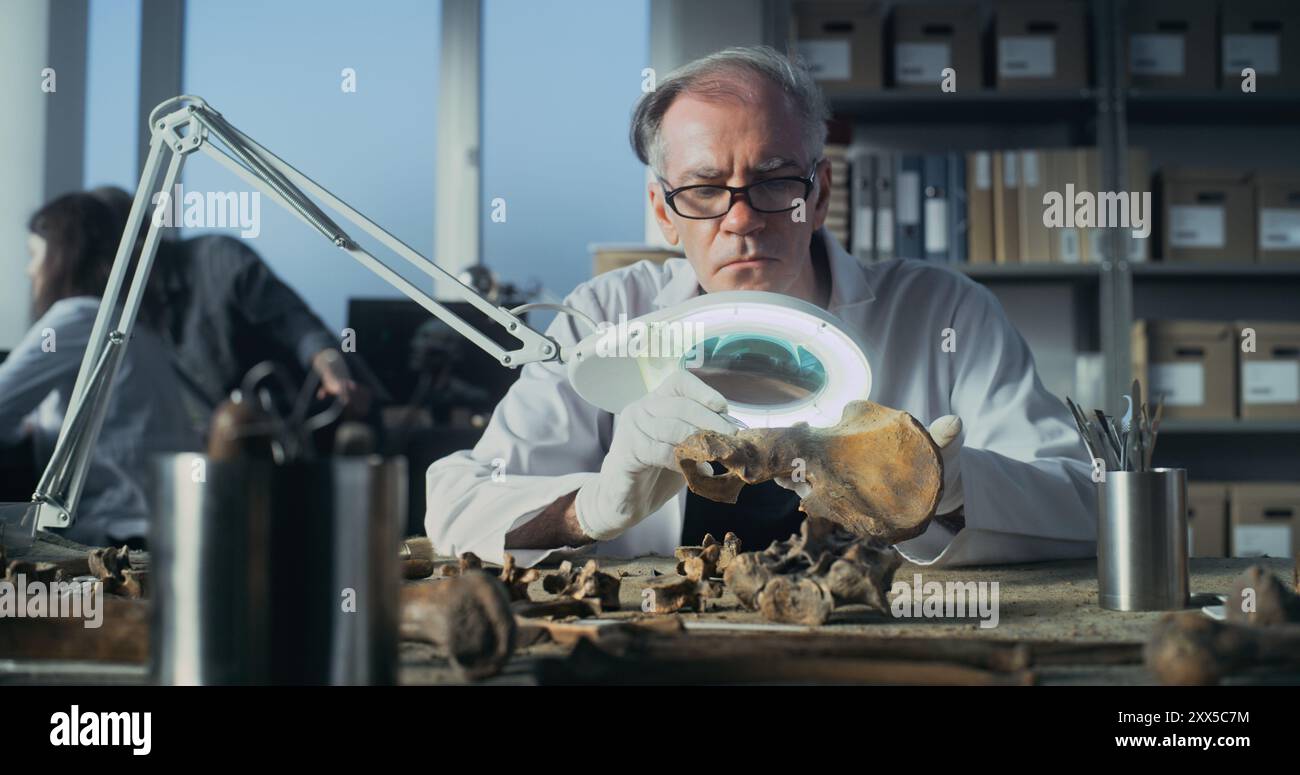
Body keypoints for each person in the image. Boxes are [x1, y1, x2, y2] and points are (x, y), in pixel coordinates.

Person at [425, 45, 1097, 568]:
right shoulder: (605, 316)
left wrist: (948, 488)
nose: (741, 219)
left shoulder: (945, 312)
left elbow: (1087, 504)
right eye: (704, 188)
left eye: (773, 181)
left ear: (822, 190)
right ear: (663, 210)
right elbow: (455, 507)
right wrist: (592, 507)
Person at [88, 186, 376, 441]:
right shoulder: (127, 313)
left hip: (305, 439)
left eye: (105, 268)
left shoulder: (218, 260)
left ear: (136, 247)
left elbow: (298, 325)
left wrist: (332, 372)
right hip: (222, 460)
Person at [0, 193, 200, 546]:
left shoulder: (77, 316)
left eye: (35, 255)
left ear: (62, 257)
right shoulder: (136, 324)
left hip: (113, 535)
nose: (29, 270)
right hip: (165, 530)